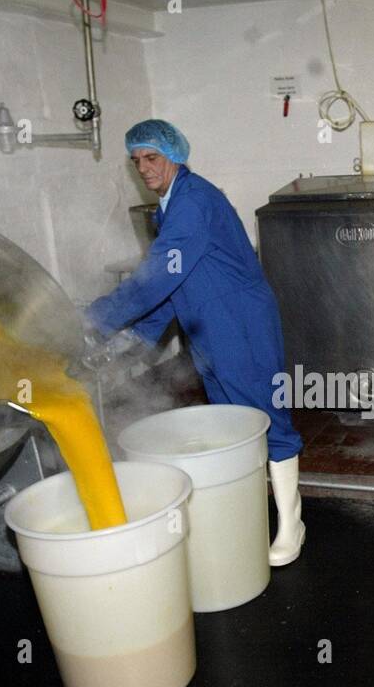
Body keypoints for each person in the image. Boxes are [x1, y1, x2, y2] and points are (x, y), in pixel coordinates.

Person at [88, 119, 306, 566]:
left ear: (174, 154)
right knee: (233, 422)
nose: (144, 169)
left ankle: (292, 524)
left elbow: (155, 279)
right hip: (206, 325)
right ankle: (247, 513)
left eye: (152, 158)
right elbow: (175, 284)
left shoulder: (192, 201)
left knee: (265, 416)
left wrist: (99, 317)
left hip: (238, 323)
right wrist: (137, 334)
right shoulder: (169, 204)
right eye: (137, 162)